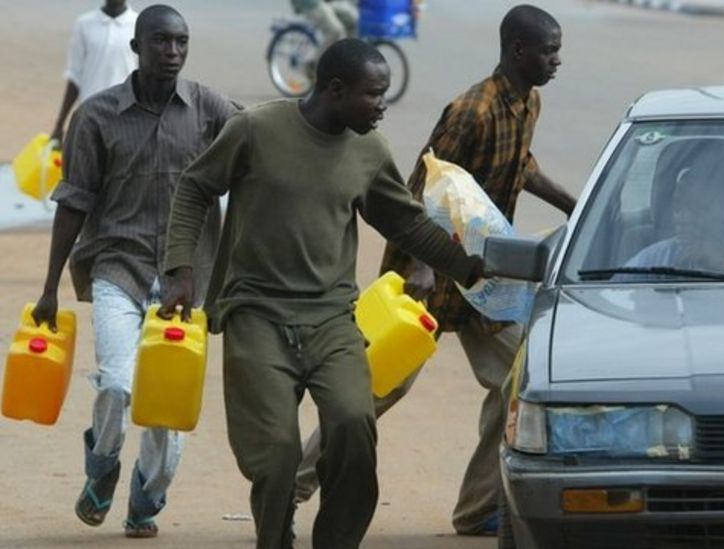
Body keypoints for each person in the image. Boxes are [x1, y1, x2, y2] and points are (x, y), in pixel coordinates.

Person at [159, 38, 484, 549]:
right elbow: (196, 186)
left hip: (332, 317)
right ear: (335, 90)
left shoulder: (369, 150)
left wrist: (473, 268)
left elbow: (406, 224)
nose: (382, 106)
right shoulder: (255, 129)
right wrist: (180, 269)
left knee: (355, 424)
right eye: (373, 95)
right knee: (277, 453)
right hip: (256, 313)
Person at [292, 4, 576, 537]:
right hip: (430, 272)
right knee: (377, 391)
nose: (557, 61)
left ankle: (477, 507)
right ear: (518, 51)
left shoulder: (527, 102)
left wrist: (571, 204)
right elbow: (423, 183)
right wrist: (421, 265)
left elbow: (522, 163)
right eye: (550, 50)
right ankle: (290, 488)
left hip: (483, 279)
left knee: (519, 379)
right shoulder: (472, 109)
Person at [30, 5, 238, 538]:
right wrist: (50, 286)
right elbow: (73, 202)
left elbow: (263, 141)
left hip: (184, 278)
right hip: (116, 267)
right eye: (161, 42)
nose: (172, 53)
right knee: (119, 385)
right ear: (137, 47)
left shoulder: (209, 108)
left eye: (181, 42)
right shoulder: (96, 117)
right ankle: (102, 470)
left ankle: (148, 495)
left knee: (167, 410)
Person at [51, 0, 139, 145]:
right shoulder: (84, 23)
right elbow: (74, 76)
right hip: (89, 114)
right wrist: (60, 124)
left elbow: (146, 75)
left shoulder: (139, 24)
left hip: (126, 115)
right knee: (87, 164)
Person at [291, 0, 359, 50]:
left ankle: (349, 54)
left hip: (324, 2)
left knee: (352, 19)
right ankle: (316, 64)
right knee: (335, 31)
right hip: (311, 4)